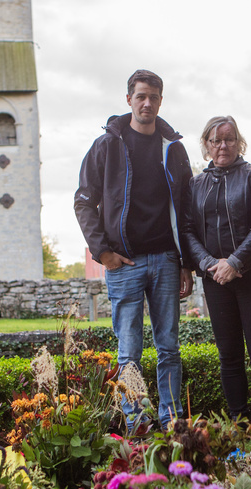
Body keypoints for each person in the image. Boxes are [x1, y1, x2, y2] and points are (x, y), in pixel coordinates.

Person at [74, 69, 193, 431]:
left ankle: (171, 421)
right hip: (123, 263)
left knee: (169, 348)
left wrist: (186, 261)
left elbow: (185, 208)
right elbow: (83, 202)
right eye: (141, 96)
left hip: (166, 260)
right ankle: (137, 422)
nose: (147, 103)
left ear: (160, 100)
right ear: (129, 99)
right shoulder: (107, 145)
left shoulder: (173, 147)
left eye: (154, 97)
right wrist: (103, 253)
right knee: (129, 353)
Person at [179, 116, 251, 452]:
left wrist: (235, 262)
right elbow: (187, 231)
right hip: (215, 279)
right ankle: (238, 425)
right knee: (229, 357)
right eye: (214, 140)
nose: (221, 146)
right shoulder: (196, 185)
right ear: (206, 145)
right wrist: (211, 264)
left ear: (239, 142)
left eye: (228, 139)